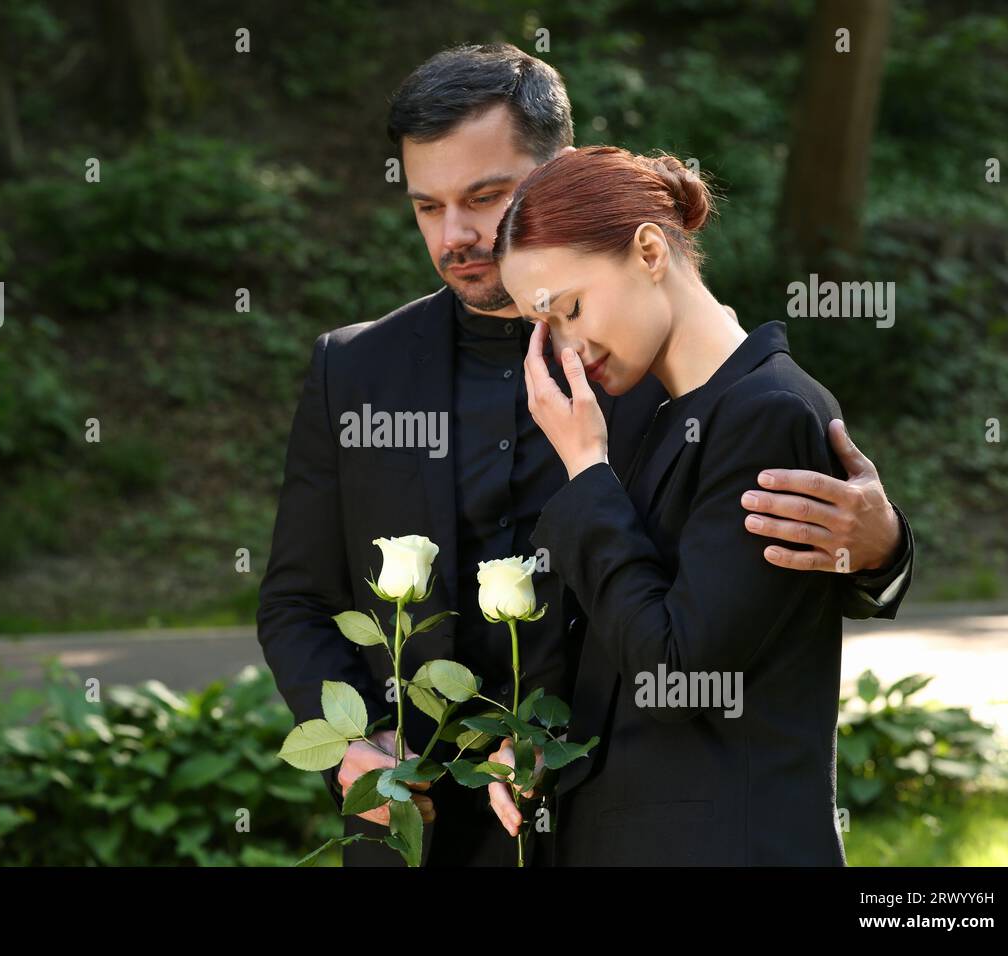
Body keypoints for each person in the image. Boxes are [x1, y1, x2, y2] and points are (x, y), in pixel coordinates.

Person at [257, 44, 913, 867]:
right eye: (427, 206)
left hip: (618, 827)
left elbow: (731, 584)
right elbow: (295, 599)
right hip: (419, 838)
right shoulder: (353, 370)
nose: (457, 235)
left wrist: (879, 548)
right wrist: (361, 741)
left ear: (558, 174)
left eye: (486, 197)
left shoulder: (656, 361)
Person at [488, 145, 863, 864]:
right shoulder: (662, 415)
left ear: (651, 250)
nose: (570, 351)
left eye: (569, 310)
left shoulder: (767, 415)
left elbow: (678, 673)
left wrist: (585, 471)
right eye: (544, 331)